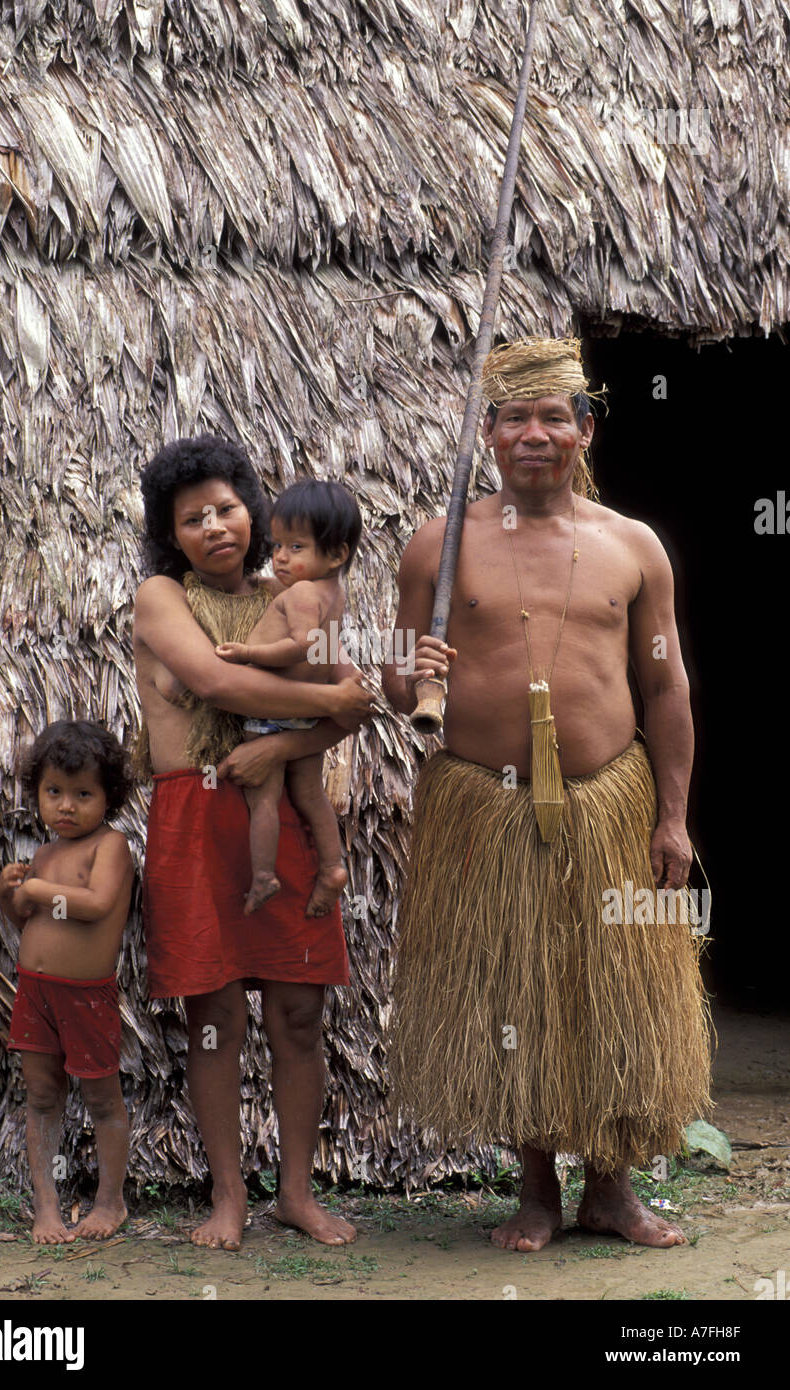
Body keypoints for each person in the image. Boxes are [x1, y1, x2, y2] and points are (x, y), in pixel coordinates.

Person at [383, 337, 712, 1252]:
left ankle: (612, 1189)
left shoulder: (631, 546)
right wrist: (412, 675)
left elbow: (666, 688)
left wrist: (674, 815)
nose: (534, 434)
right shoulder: (436, 546)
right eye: (515, 418)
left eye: (553, 418)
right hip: (482, 802)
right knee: (509, 996)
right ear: (487, 434)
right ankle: (535, 1191)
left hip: (610, 798)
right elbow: (395, 688)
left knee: (618, 990)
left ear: (585, 430)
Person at [132, 434, 372, 1251]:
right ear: (172, 533)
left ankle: (295, 1195)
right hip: (195, 814)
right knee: (215, 1017)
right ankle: (228, 1197)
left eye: (227, 507)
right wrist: (332, 700)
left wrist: (280, 746)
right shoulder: (159, 598)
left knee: (300, 1014)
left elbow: (353, 712)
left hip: (284, 816)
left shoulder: (298, 595)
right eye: (192, 517)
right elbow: (217, 682)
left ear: (254, 509)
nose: (214, 526)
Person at [0, 720, 135, 1244]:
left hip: (86, 997)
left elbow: (96, 905)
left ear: (109, 797)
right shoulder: (46, 854)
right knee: (42, 1096)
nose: (66, 806)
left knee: (102, 1097)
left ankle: (110, 1200)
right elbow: (28, 925)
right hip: (35, 991)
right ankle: (47, 1207)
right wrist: (9, 896)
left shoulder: (111, 846)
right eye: (53, 792)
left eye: (82, 794)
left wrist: (38, 888)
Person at [217, 479, 362, 917]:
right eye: (277, 545)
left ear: (336, 554)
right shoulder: (330, 593)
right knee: (311, 795)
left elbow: (301, 644)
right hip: (306, 713)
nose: (280, 556)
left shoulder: (301, 593)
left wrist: (248, 652)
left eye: (295, 548)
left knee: (263, 798)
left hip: (274, 713)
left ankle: (263, 875)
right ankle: (333, 868)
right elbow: (323, 647)